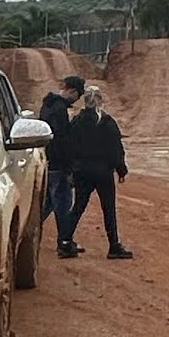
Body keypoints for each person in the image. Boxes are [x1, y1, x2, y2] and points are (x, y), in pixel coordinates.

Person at [60, 86, 134, 259]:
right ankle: (114, 246)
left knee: (78, 207)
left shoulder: (77, 121)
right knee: (108, 208)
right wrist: (121, 170)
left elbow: (69, 147)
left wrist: (71, 169)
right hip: (103, 172)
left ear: (84, 100)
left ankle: (64, 242)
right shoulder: (107, 122)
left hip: (82, 172)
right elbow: (116, 149)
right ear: (100, 100)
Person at [39, 75, 86, 257]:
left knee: (48, 204)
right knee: (63, 205)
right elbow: (62, 141)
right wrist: (69, 169)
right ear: (72, 91)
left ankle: (27, 233)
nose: (77, 99)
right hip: (58, 166)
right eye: (78, 95)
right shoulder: (59, 110)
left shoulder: (47, 105)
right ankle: (64, 243)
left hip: (47, 162)